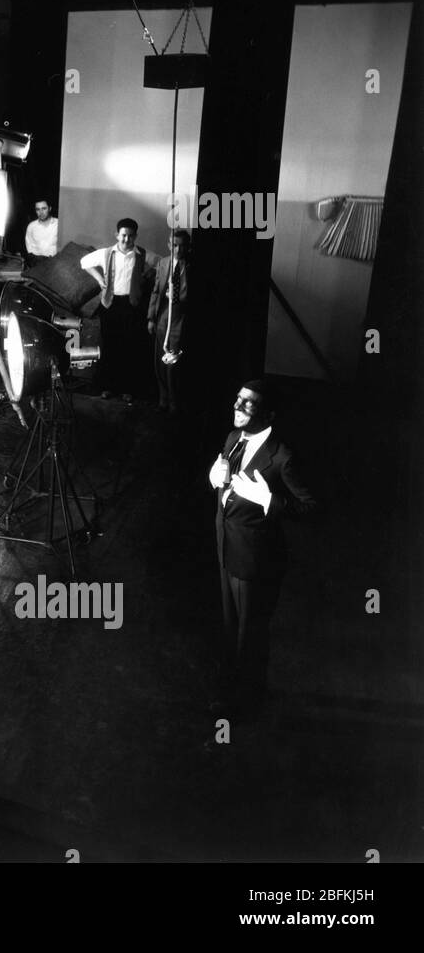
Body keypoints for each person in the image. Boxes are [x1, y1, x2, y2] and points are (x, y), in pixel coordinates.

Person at [207, 380, 317, 721]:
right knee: (231, 627)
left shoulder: (283, 456)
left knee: (249, 633)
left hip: (257, 560)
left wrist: (268, 500)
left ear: (267, 414)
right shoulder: (232, 438)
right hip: (228, 547)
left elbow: (313, 508)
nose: (238, 406)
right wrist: (216, 481)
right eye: (238, 398)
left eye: (249, 404)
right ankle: (232, 689)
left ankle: (247, 701)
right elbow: (228, 494)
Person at [80, 218, 153, 403]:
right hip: (110, 305)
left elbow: (160, 265)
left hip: (132, 305)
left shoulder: (143, 254)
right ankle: (107, 387)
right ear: (116, 235)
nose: (126, 239)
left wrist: (146, 277)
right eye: (123, 235)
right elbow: (84, 262)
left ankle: (127, 389)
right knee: (110, 346)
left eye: (130, 236)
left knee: (130, 348)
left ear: (135, 236)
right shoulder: (106, 253)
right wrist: (99, 279)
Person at [147, 229, 191, 413]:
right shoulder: (163, 263)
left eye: (181, 246)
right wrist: (151, 318)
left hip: (180, 317)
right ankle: (163, 397)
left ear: (187, 247)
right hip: (163, 315)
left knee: (173, 361)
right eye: (174, 245)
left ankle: (174, 399)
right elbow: (156, 291)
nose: (178, 250)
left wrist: (177, 296)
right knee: (159, 359)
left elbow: (191, 296)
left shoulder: (190, 266)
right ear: (168, 245)